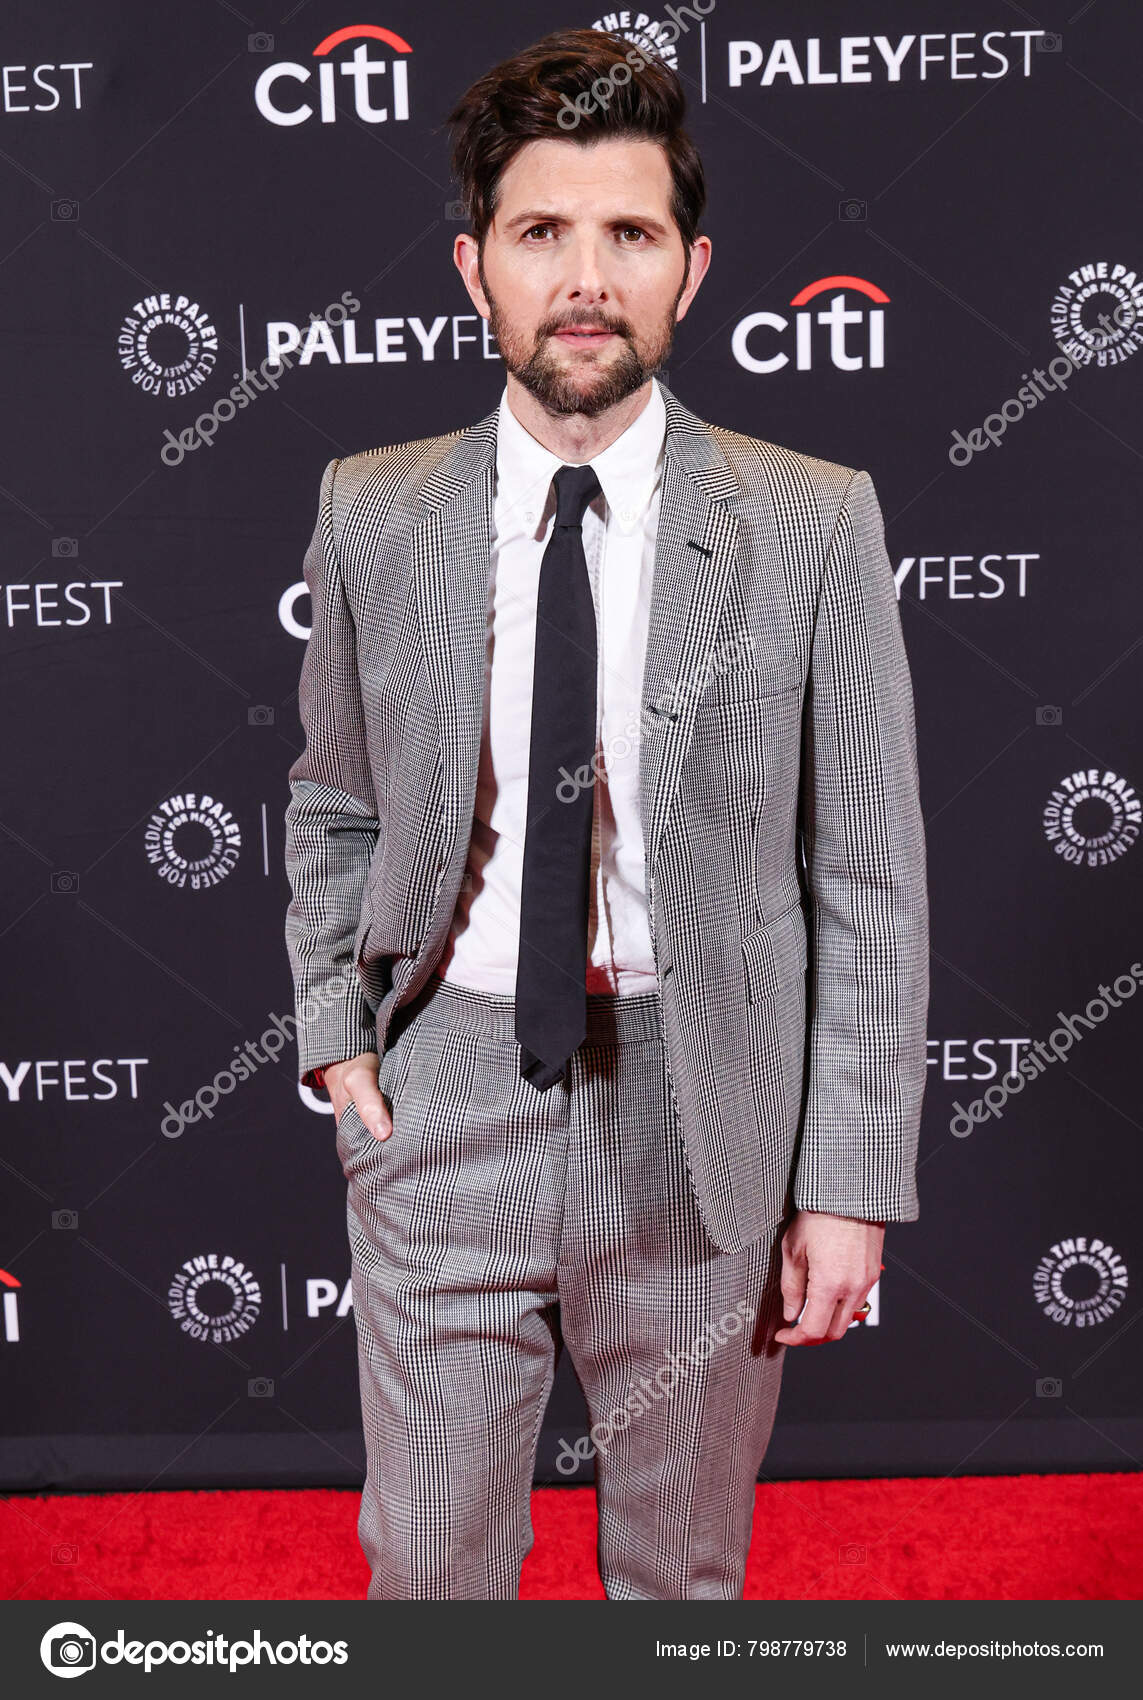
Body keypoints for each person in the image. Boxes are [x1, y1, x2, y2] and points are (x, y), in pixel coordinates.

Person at [283, 27, 928, 1601]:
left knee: (681, 1583)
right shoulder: (371, 505)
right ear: (474, 269)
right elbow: (332, 799)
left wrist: (846, 1181)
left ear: (690, 271)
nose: (586, 275)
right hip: (447, 1090)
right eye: (541, 233)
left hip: (701, 1118)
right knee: (431, 1575)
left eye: (628, 234)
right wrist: (335, 1031)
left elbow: (867, 869)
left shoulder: (809, 518)